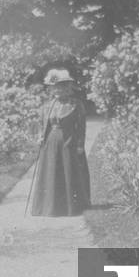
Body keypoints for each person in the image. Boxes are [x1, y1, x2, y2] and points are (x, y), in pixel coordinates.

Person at [28, 68, 91, 217]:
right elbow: (42, 123)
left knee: (69, 171)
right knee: (51, 173)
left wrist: (80, 145)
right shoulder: (48, 105)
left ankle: (71, 207)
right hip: (50, 143)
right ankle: (50, 207)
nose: (56, 90)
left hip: (68, 141)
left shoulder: (76, 104)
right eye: (53, 87)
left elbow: (81, 127)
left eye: (60, 87)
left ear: (67, 87)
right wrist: (40, 136)